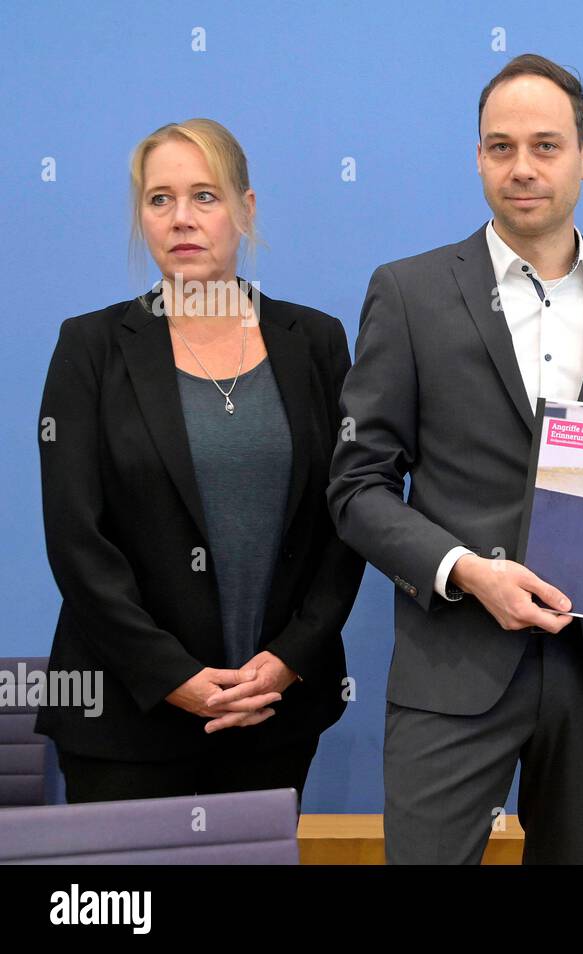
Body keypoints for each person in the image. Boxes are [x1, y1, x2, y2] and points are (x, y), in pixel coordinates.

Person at [327, 54, 583, 865]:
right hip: (452, 662)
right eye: (500, 147)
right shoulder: (409, 292)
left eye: (546, 146)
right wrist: (464, 568)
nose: (522, 168)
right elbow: (356, 485)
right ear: (478, 157)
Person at [36, 118, 364, 807]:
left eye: (205, 196)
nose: (181, 218)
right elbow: (76, 541)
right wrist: (171, 675)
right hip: (126, 720)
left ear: (247, 209)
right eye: (160, 199)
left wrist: (289, 662)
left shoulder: (315, 343)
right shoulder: (90, 347)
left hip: (272, 714)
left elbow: (347, 519)